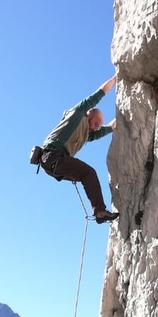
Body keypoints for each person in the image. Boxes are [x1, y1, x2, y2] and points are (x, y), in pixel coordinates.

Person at [40, 75, 119, 223]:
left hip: (55, 163)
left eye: (98, 125)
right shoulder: (78, 114)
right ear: (89, 115)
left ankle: (99, 211)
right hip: (52, 156)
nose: (96, 127)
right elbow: (98, 94)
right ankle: (100, 211)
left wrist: (120, 118)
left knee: (86, 175)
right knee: (89, 173)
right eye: (95, 123)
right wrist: (115, 79)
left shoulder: (87, 134)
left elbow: (105, 130)